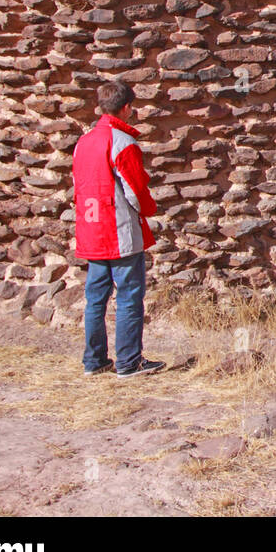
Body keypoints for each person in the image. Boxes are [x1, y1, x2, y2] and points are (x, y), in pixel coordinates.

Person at [72, 80, 165, 378]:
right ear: (126, 108)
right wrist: (149, 210)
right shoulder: (122, 142)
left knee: (95, 299)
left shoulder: (82, 143)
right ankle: (128, 362)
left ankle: (94, 360)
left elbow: (79, 187)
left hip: (91, 231)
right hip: (119, 231)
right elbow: (135, 191)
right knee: (128, 297)